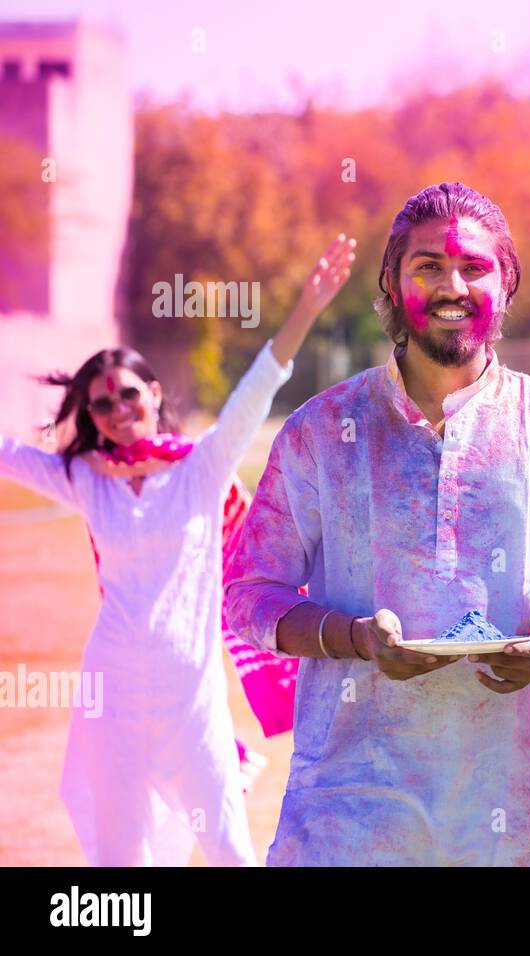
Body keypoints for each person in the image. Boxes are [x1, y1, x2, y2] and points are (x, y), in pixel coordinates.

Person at [224, 182, 530, 866]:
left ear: (507, 282)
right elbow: (248, 594)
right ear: (390, 282)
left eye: (474, 267)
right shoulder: (321, 431)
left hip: (507, 811)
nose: (453, 286)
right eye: (428, 268)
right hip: (348, 809)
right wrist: (352, 638)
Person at [0, 235, 356, 865]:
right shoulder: (86, 478)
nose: (116, 410)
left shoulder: (199, 470)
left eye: (128, 395)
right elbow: (7, 453)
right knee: (120, 864)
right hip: (110, 700)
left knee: (229, 852)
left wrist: (306, 305)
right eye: (102, 403)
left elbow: (257, 390)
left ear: (155, 395)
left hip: (191, 705)